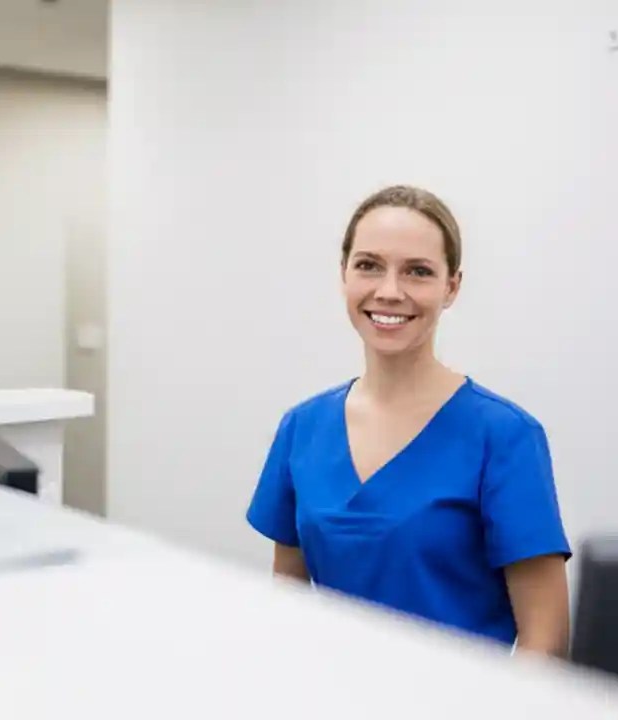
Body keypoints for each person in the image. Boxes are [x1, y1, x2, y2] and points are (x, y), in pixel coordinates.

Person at [245, 185, 572, 656]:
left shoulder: (504, 436)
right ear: (343, 275)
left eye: (417, 272)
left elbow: (547, 640)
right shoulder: (303, 428)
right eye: (369, 265)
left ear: (451, 287)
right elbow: (288, 606)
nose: (389, 291)